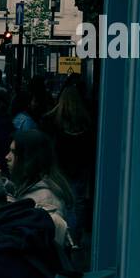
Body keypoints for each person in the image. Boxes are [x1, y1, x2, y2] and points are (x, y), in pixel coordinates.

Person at [4, 129, 74, 261]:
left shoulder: (47, 200)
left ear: (29, 157)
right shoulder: (32, 185)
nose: (7, 157)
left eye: (14, 152)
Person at [41, 83, 95, 246]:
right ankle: (74, 238)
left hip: (59, 167)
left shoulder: (51, 120)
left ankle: (62, 235)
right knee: (77, 202)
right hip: (80, 167)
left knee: (59, 200)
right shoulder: (86, 121)